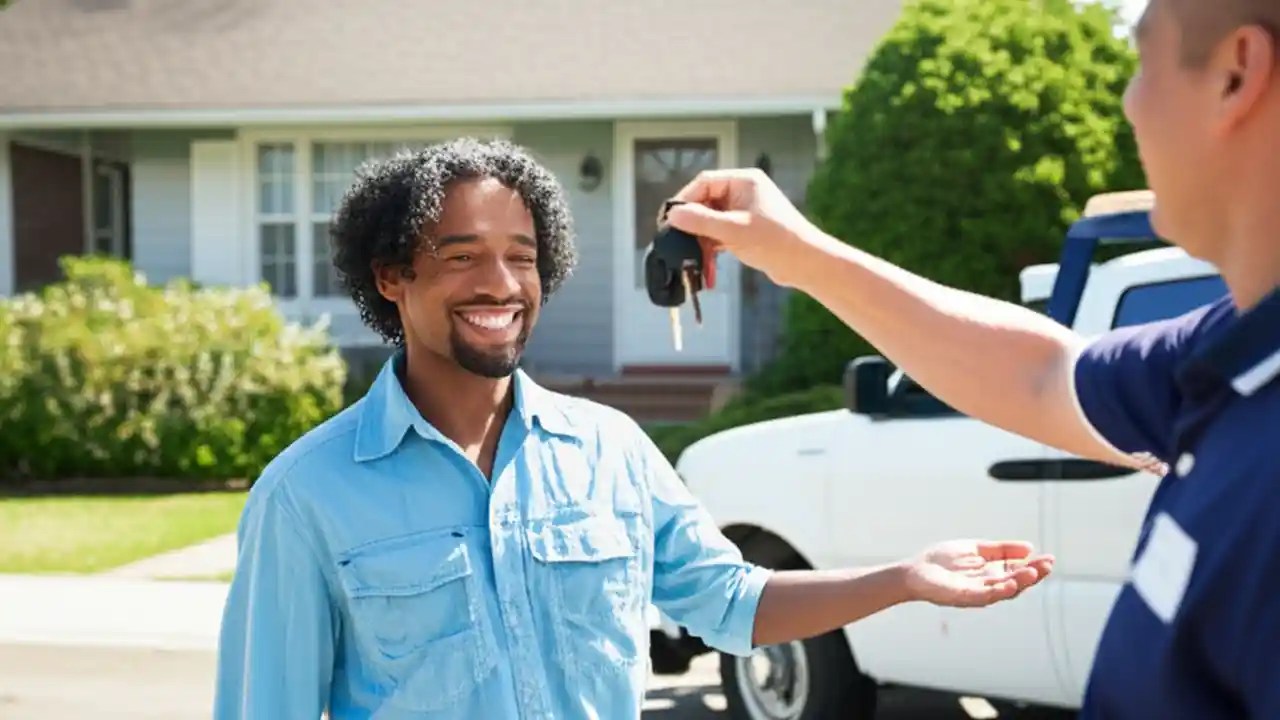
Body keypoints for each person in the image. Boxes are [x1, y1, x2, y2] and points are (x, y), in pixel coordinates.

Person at [211, 137, 1053, 719]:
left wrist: (902, 578)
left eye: (523, 256)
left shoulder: (609, 453)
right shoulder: (305, 497)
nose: (501, 283)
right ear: (391, 277)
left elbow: (732, 602)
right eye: (461, 256)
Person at [661, 1, 1280, 718]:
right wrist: (798, 255)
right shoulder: (1226, 358)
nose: (1128, 104)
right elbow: (1040, 375)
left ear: (1235, 75)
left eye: (1143, 62)